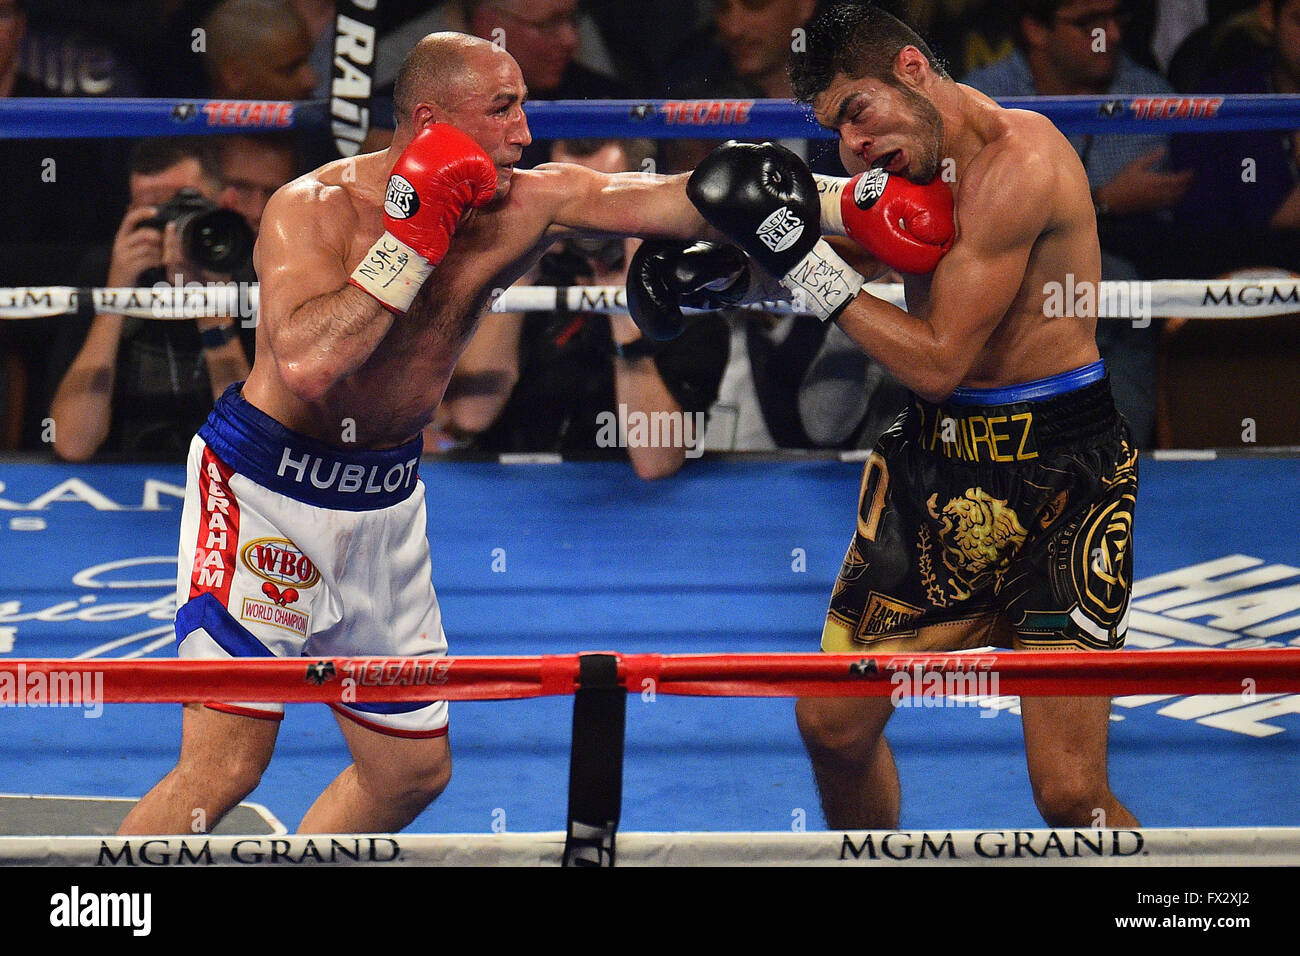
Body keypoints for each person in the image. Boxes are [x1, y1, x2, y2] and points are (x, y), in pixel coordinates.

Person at [114, 31, 727, 835]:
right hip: (267, 490)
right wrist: (411, 244)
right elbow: (307, 364)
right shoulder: (314, 208)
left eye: (523, 108)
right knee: (224, 765)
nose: (525, 133)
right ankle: (97, 909)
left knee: (408, 773)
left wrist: (824, 194)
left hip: (385, 503)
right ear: (432, 121)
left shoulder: (523, 203)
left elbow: (674, 197)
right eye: (503, 109)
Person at [662, 0, 1139, 829]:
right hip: (938, 463)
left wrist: (797, 258)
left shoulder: (1019, 161)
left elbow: (937, 358)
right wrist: (726, 264)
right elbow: (842, 231)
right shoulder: (909, 166)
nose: (852, 146)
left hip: (1063, 474)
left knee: (1071, 795)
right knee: (832, 725)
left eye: (857, 112)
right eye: (836, 130)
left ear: (912, 71)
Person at [962, 0, 1193, 450]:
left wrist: (1045, 206)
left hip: (1111, 286)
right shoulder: (980, 101)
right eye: (1089, 22)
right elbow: (984, 214)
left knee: (1123, 294)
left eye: (1117, 19)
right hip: (1001, 284)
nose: (1112, 34)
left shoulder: (1149, 97)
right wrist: (1105, 199)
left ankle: (1116, 462)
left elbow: (1023, 210)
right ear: (1035, 26)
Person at [437, 137, 728, 480]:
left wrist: (626, 314)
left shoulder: (688, 305)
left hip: (629, 513)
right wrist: (521, 271)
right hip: (513, 506)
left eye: (604, 201)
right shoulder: (532, 283)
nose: (590, 222)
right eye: (574, 202)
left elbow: (655, 461)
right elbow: (470, 416)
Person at [48, 138, 260, 462]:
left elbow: (251, 447)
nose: (173, 228)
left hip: (220, 476)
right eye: (157, 214)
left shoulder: (253, 277)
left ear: (226, 204)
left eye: (187, 207)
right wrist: (117, 297)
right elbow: (73, 443)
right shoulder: (106, 272)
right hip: (124, 476)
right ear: (130, 214)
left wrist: (213, 309)